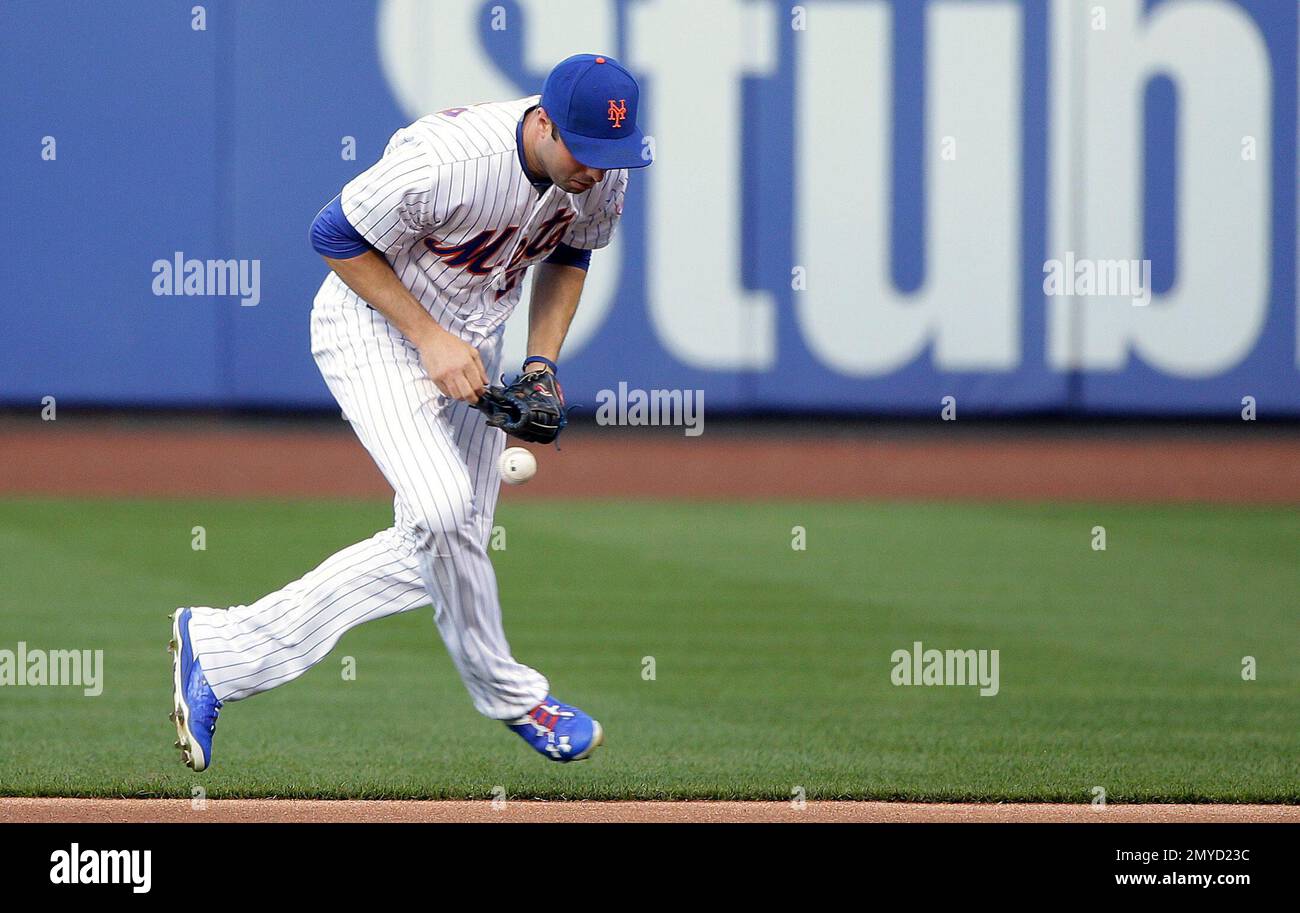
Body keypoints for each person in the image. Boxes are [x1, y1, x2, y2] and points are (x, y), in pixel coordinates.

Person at [168, 54, 651, 772]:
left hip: (472, 347)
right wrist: (429, 337)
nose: (598, 170)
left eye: (612, 155)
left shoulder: (599, 172)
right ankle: (515, 698)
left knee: (447, 538)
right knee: (443, 507)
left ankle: (222, 648)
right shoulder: (450, 160)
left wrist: (542, 363)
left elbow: (571, 255)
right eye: (586, 150)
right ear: (544, 121)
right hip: (373, 328)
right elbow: (332, 234)